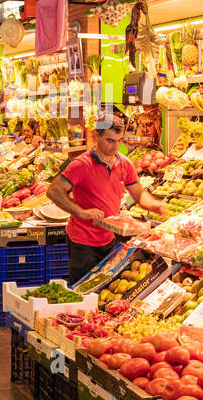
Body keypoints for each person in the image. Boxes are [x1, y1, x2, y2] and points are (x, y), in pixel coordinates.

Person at [46, 106, 169, 285]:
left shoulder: (124, 163)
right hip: (82, 242)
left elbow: (139, 194)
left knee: (106, 288)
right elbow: (54, 191)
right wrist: (82, 212)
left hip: (109, 240)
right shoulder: (81, 164)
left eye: (119, 141)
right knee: (83, 290)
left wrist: (155, 205)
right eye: (110, 140)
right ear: (97, 136)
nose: (115, 146)